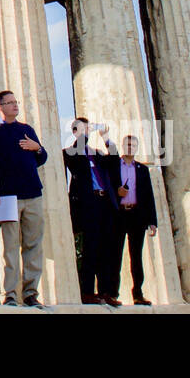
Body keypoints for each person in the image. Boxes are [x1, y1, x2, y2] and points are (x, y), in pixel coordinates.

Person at [0, 90, 47, 307]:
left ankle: (31, 294)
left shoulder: (27, 129)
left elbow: (41, 158)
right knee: (10, 248)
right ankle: (9, 295)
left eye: (15, 102)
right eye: (9, 103)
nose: (14, 106)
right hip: (8, 196)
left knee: (33, 246)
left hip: (33, 194)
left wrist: (37, 148)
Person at [65, 116, 119, 306]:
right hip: (88, 205)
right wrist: (84, 134)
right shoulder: (71, 152)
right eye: (83, 128)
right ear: (75, 132)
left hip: (104, 203)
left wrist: (106, 138)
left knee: (107, 249)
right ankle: (87, 292)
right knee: (90, 248)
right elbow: (76, 154)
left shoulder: (96, 154)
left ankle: (106, 292)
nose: (88, 130)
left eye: (88, 128)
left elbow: (114, 161)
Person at [110, 134, 156, 306]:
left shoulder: (142, 169)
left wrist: (152, 220)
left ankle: (138, 293)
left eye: (133, 145)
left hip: (137, 215)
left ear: (136, 148)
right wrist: (117, 191)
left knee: (136, 256)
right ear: (123, 146)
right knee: (115, 255)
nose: (130, 147)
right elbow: (108, 188)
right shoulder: (114, 165)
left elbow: (148, 195)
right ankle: (112, 293)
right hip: (119, 214)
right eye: (127, 144)